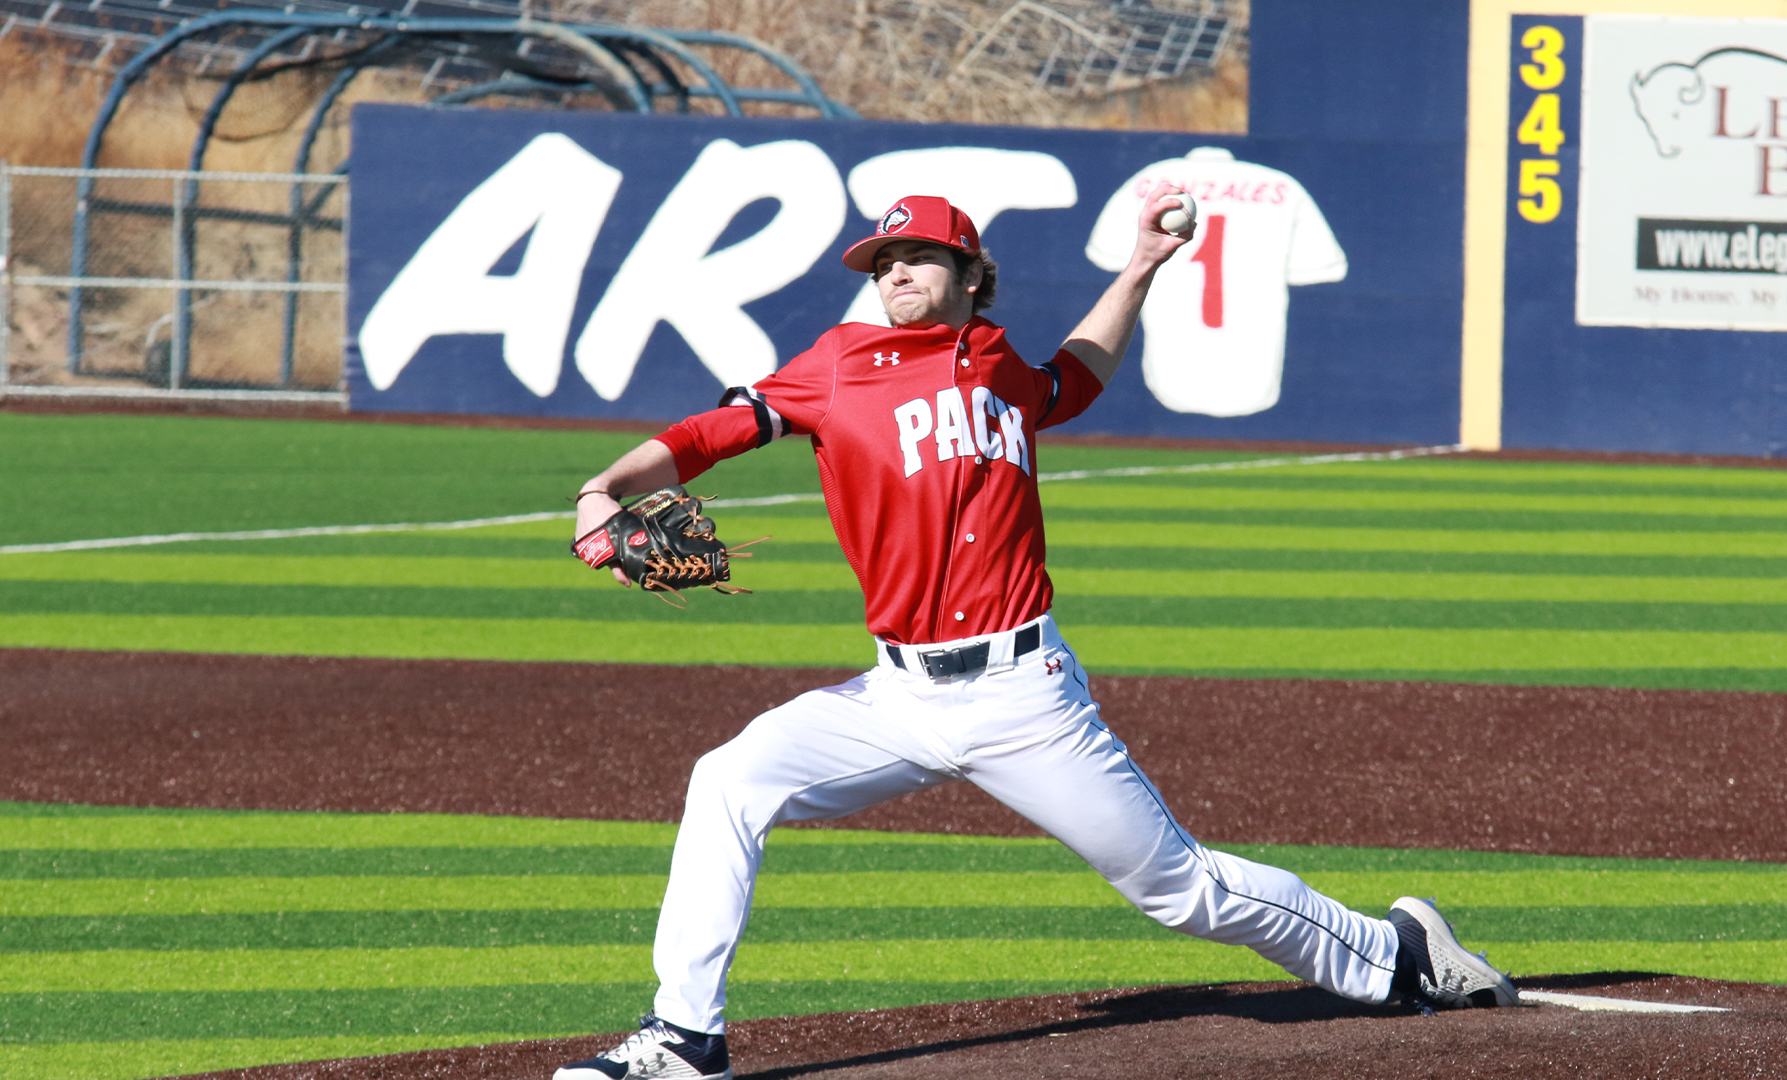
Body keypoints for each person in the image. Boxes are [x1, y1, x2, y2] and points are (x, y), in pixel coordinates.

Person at [557, 188, 1517, 1080]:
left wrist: (1139, 268)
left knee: (1179, 889)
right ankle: (685, 1039)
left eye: (917, 256)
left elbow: (1073, 381)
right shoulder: (838, 366)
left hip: (1023, 696)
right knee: (728, 779)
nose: (893, 272)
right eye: (881, 260)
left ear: (972, 274)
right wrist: (605, 489)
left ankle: (1396, 951)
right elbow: (707, 434)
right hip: (895, 696)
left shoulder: (996, 363)